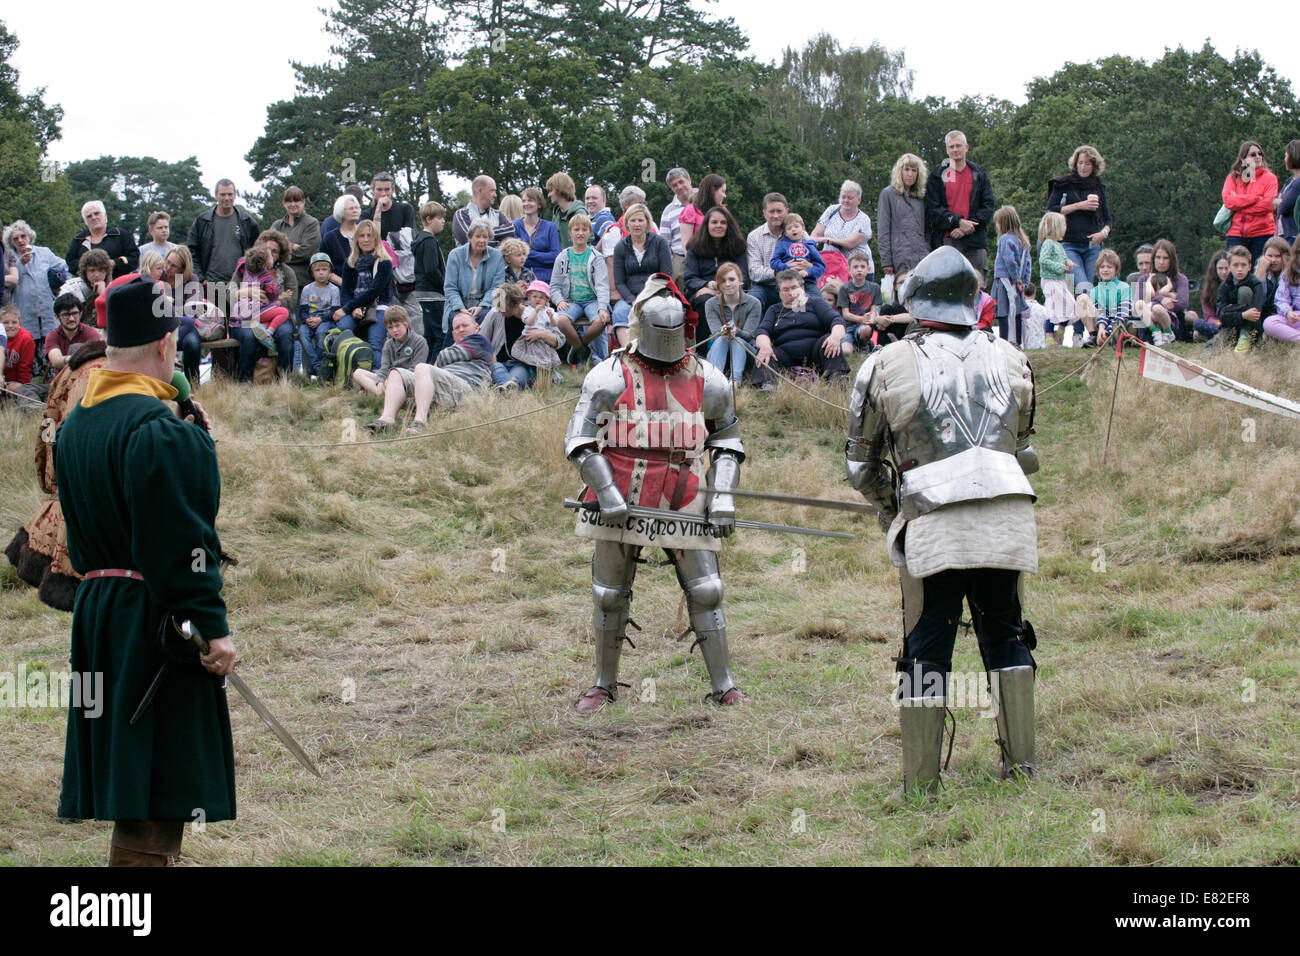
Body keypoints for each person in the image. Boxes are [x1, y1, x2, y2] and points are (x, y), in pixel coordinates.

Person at [845, 246, 1040, 795]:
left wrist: (894, 512)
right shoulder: (1012, 356)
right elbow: (1024, 454)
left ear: (915, 301)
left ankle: (922, 783)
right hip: (1006, 510)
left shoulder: (884, 362)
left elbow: (860, 467)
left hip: (931, 516)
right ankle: (1020, 768)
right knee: (1004, 628)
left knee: (928, 641)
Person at [54, 277, 235, 866]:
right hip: (154, 623)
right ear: (165, 347)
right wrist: (212, 625)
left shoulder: (78, 423)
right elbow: (183, 540)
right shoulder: (156, 429)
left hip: (100, 613)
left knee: (140, 795)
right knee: (159, 798)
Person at [565, 289, 748, 711]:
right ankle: (603, 683)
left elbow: (727, 442)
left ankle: (725, 685)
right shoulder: (609, 374)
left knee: (707, 589)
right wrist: (607, 491)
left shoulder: (709, 377)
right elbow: (579, 439)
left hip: (684, 488)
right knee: (609, 594)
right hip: (621, 486)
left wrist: (722, 497)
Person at [4, 333, 107, 612]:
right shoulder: (102, 374)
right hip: (91, 518)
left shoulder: (68, 373)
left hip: (66, 505)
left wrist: (49, 477)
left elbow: (47, 431)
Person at [752, 270, 848, 388]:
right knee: (765, 351)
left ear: (802, 288)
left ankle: (837, 379)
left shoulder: (816, 303)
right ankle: (767, 386)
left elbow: (836, 320)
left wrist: (835, 336)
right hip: (785, 357)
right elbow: (762, 331)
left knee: (829, 340)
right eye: (786, 290)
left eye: (794, 288)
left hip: (816, 354)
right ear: (779, 292)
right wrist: (765, 346)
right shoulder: (774, 310)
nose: (791, 293)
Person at [407, 311, 495, 430]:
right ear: (453, 334)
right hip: (447, 389)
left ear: (476, 328)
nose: (461, 329)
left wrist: (443, 355)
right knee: (396, 373)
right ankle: (386, 419)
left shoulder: (480, 340)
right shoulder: (453, 348)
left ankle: (419, 422)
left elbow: (443, 358)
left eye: (465, 325)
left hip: (467, 390)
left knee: (422, 368)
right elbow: (438, 364)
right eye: (457, 328)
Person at [925, 131, 996, 276]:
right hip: (947, 240)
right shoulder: (937, 176)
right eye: (951, 147)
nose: (955, 150)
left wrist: (968, 226)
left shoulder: (979, 173)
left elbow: (988, 205)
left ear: (966, 147)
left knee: (977, 286)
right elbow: (933, 209)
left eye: (958, 146)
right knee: (948, 285)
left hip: (975, 240)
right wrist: (957, 222)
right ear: (947, 150)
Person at [1046, 145, 1113, 293]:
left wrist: (1104, 233)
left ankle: (1082, 316)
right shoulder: (1063, 184)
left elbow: (1108, 219)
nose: (1083, 167)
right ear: (1075, 164)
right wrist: (1079, 205)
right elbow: (1051, 210)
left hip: (1091, 246)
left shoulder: (1098, 187)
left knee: (1086, 289)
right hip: (1068, 244)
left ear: (1094, 166)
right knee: (1084, 287)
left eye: (1087, 163)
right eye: (1080, 163)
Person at [4, 220, 66, 372]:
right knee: (28, 343)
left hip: (47, 308)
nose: (20, 240)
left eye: (22, 236)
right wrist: (20, 263)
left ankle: (53, 373)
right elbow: (8, 280)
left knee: (52, 341)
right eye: (15, 238)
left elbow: (64, 267)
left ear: (29, 237)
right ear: (10, 242)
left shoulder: (44, 252)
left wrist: (59, 284)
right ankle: (32, 376)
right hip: (24, 310)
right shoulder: (9, 259)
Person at [550, 213, 611, 362]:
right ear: (570, 233)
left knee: (601, 321)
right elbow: (554, 286)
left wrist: (602, 307)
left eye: (584, 230)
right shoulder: (563, 257)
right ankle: (582, 350)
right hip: (572, 301)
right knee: (561, 320)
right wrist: (559, 301)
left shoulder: (596, 257)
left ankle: (581, 346)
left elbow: (603, 286)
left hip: (592, 300)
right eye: (576, 229)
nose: (580, 233)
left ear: (590, 233)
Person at [611, 202, 673, 346]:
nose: (637, 224)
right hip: (631, 297)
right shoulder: (620, 247)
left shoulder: (660, 243)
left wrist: (652, 297)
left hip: (656, 295)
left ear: (647, 222)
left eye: (640, 220)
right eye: (633, 220)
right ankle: (629, 352)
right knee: (619, 312)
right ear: (627, 223)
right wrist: (632, 300)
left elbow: (666, 276)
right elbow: (619, 282)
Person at [357, 306, 429, 428]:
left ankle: (388, 399)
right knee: (358, 373)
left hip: (408, 380)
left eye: (397, 326)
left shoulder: (419, 342)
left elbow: (416, 370)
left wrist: (391, 378)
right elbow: (384, 367)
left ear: (406, 323)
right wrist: (380, 380)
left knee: (395, 376)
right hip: (389, 378)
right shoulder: (389, 344)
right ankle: (384, 393)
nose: (395, 330)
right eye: (390, 328)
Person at [478, 282, 560, 389]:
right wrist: (491, 356)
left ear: (516, 304)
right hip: (499, 361)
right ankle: (507, 386)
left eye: (504, 308)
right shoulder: (495, 313)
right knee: (498, 368)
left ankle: (507, 387)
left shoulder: (537, 314)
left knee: (518, 376)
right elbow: (481, 339)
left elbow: (559, 341)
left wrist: (541, 334)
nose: (501, 311)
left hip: (521, 363)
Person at [186, 180, 260, 293]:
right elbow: (191, 252)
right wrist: (201, 279)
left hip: (240, 285)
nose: (226, 198)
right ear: (216, 196)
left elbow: (257, 252)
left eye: (230, 194)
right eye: (222, 194)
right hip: (210, 284)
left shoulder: (248, 222)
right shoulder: (202, 221)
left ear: (235, 195)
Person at [336, 220, 394, 357]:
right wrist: (352, 308)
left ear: (376, 238)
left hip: (378, 306)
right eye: (362, 236)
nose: (366, 239)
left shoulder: (384, 262)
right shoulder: (350, 263)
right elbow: (345, 291)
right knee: (343, 331)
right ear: (356, 239)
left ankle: (376, 375)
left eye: (370, 235)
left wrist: (346, 308)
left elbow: (374, 291)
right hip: (354, 307)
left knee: (375, 342)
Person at [704, 262, 763, 383]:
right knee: (722, 339)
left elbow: (749, 335)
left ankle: (735, 382)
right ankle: (714, 381)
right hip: (720, 347)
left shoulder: (754, 303)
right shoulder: (710, 304)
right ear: (718, 284)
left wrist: (737, 332)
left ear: (740, 280)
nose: (727, 284)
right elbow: (715, 333)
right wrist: (724, 332)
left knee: (738, 340)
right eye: (723, 281)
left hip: (747, 350)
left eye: (731, 279)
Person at [1222, 141, 1279, 265]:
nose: (1258, 157)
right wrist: (1255, 198)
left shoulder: (1270, 178)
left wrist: (1240, 205)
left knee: (1260, 273)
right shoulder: (1233, 178)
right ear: (1243, 158)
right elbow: (1228, 201)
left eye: (1260, 153)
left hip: (1262, 233)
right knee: (1235, 273)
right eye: (1253, 154)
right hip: (1236, 234)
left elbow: (1268, 205)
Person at [684, 206, 748, 317]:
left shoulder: (738, 246)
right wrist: (709, 285)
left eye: (723, 222)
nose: (719, 225)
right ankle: (706, 335)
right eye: (714, 222)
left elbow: (742, 277)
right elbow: (690, 278)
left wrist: (721, 290)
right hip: (702, 290)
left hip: (731, 289)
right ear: (707, 225)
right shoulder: (694, 247)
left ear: (728, 226)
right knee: (706, 301)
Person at [444, 218, 505, 330]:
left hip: (486, 304)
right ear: (470, 237)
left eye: (485, 237)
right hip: (459, 304)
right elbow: (450, 288)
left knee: (487, 317)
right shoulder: (455, 255)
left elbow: (497, 287)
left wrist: (482, 306)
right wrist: (462, 309)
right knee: (459, 322)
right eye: (478, 236)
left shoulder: (497, 256)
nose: (481, 240)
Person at [810, 179, 874, 283]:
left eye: (850, 198)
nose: (845, 200)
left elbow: (850, 243)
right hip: (830, 267)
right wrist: (812, 246)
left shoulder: (864, 219)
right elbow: (815, 234)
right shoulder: (831, 210)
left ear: (859, 200)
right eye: (843, 197)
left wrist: (828, 240)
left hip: (856, 271)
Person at [877, 154, 930, 277]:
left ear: (918, 174)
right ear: (899, 171)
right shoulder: (888, 194)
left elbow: (927, 229)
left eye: (914, 170)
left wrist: (927, 250)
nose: (910, 174)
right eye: (906, 169)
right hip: (899, 257)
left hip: (922, 257)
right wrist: (886, 261)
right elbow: (883, 230)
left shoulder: (923, 197)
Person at [1132, 239, 1192, 344]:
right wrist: (1163, 297)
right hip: (1148, 322)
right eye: (1158, 257)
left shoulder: (1180, 279)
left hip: (1173, 322)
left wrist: (1154, 297)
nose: (1161, 262)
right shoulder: (1144, 279)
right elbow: (1139, 303)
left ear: (1172, 260)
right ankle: (1154, 335)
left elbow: (1182, 304)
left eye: (1165, 258)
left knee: (1157, 310)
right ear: (1153, 258)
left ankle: (1168, 334)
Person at [65, 200, 139, 279]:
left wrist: (113, 263)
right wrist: (89, 268)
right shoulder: (78, 240)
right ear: (85, 221)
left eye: (97, 213)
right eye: (89, 216)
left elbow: (134, 259)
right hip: (87, 286)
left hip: (118, 284)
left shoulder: (122, 235)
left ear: (104, 215)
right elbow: (71, 263)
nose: (94, 217)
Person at [412, 201, 449, 355]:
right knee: (440, 335)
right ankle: (433, 367)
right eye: (439, 218)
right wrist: (445, 287)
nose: (443, 221)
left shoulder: (421, 239)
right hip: (432, 295)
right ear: (428, 219)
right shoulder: (429, 241)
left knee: (430, 335)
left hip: (424, 294)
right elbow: (431, 269)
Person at [992, 206, 1031, 345]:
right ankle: (1017, 342)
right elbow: (1027, 264)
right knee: (1016, 313)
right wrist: (1024, 282)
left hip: (1005, 282)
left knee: (1004, 312)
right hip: (1017, 285)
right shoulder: (1024, 242)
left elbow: (1009, 260)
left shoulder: (1005, 239)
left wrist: (1015, 279)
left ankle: (1006, 343)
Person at [299, 252, 343, 378]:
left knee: (321, 335)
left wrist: (320, 319)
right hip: (310, 318)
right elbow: (302, 310)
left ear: (330, 271)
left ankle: (318, 366)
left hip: (326, 319)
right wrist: (308, 320)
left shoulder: (334, 289)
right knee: (303, 334)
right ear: (312, 272)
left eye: (324, 269)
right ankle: (317, 366)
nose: (321, 272)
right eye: (317, 270)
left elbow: (334, 310)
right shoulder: (307, 289)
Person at [1075, 250, 1131, 348]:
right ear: (1098, 270)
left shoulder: (1124, 287)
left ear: (1116, 269)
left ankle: (1111, 339)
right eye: (1102, 267)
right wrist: (1101, 327)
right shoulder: (1095, 291)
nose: (1105, 270)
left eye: (1109, 267)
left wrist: (1108, 332)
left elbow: (1123, 313)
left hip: (1118, 324)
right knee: (1082, 298)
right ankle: (1093, 336)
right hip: (1101, 325)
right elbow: (1101, 312)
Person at [270, 185, 322, 289]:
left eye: (296, 200)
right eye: (289, 201)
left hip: (303, 284)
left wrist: (280, 251)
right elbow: (267, 250)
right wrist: (292, 246)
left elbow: (307, 252)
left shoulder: (311, 223)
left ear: (303, 202)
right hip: (278, 283)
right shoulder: (277, 225)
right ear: (284, 203)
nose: (293, 204)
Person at [1217, 245, 1267, 353]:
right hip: (1232, 325)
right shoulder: (1224, 286)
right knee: (1216, 345)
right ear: (1229, 267)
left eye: (1243, 265)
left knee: (1244, 291)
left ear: (1249, 266)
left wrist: (1230, 309)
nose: (1240, 269)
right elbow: (1221, 314)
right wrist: (1242, 314)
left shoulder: (1256, 284)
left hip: (1252, 326)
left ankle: (1245, 337)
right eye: (1236, 265)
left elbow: (1255, 312)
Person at [1037, 212, 1076, 345]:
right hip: (1050, 280)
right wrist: (1061, 267)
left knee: (1069, 305)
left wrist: (1068, 262)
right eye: (1064, 224)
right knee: (1053, 307)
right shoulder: (1048, 243)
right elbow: (1044, 261)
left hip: (1060, 281)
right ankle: (1049, 336)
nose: (1066, 227)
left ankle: (1060, 331)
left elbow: (1064, 258)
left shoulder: (1058, 245)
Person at [746, 193, 788, 312]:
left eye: (779, 211)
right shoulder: (754, 237)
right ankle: (754, 331)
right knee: (752, 299)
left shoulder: (799, 234)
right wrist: (777, 272)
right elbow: (754, 272)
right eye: (771, 211)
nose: (775, 215)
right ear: (764, 213)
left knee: (807, 299)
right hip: (764, 287)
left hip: (792, 284)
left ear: (787, 211)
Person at [837, 252, 882, 354]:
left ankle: (863, 344)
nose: (859, 269)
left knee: (865, 330)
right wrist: (860, 319)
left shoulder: (874, 288)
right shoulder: (844, 288)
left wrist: (870, 319)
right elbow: (845, 314)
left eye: (862, 266)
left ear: (868, 270)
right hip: (848, 327)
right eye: (855, 267)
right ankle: (854, 345)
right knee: (846, 352)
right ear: (849, 270)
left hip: (864, 326)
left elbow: (874, 309)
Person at [513, 186, 560, 283]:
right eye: (524, 201)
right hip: (521, 281)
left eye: (530, 200)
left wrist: (527, 253)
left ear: (539, 204)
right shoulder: (515, 226)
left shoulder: (550, 227)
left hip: (545, 280)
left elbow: (555, 256)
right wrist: (543, 258)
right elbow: (513, 257)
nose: (526, 204)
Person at [452, 175, 515, 246]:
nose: (495, 195)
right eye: (492, 190)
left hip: (496, 258)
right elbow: (469, 241)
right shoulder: (461, 215)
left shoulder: (499, 215)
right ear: (480, 191)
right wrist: (498, 242)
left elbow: (511, 230)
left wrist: (478, 234)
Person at [44, 293, 101, 372]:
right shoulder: (52, 336)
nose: (71, 319)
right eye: (66, 315)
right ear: (57, 317)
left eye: (74, 313)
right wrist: (81, 357)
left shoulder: (91, 333)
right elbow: (56, 361)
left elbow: (96, 360)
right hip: (61, 380)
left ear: (80, 314)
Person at [770, 212, 826, 290]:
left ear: (803, 228)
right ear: (785, 233)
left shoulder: (810, 245)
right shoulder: (782, 245)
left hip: (808, 283)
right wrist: (786, 267)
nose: (793, 229)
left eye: (796, 226)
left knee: (817, 301)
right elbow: (773, 262)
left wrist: (808, 272)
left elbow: (821, 266)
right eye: (789, 228)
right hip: (788, 283)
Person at [659, 167, 695, 286]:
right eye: (674, 185)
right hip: (680, 258)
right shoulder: (668, 211)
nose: (679, 187)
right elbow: (665, 243)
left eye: (681, 182)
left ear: (689, 180)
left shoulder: (705, 199)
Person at [2, 305, 44, 406]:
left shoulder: (26, 338)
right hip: (1, 379)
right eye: (6, 323)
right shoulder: (1, 337)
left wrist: (22, 385)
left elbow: (25, 367)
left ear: (20, 323)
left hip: (15, 381)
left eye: (14, 322)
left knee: (19, 393)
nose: (10, 326)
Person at [678, 173, 726, 253]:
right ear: (712, 191)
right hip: (699, 259)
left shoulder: (724, 211)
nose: (724, 196)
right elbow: (686, 244)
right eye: (723, 191)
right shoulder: (690, 210)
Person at [321, 194, 362, 286]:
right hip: (340, 289)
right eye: (351, 208)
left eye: (357, 207)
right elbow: (324, 267)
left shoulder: (366, 233)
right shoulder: (330, 238)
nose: (355, 210)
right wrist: (344, 284)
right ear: (341, 211)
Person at [362, 171, 417, 238]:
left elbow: (409, 237)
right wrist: (378, 209)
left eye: (387, 189)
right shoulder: (366, 215)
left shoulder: (405, 209)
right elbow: (372, 239)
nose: (383, 194)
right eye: (379, 190)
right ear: (373, 190)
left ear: (392, 190)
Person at [1266, 235, 1300, 344]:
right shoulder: (1290, 272)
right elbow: (1281, 299)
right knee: (1270, 323)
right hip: (1296, 316)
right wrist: (1288, 312)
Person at [1195, 250, 1230, 343]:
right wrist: (1217, 323)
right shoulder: (1209, 290)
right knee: (1198, 323)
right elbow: (1209, 316)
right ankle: (1222, 337)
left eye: (1227, 268)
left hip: (1232, 323)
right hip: (1217, 325)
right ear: (1215, 269)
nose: (1224, 272)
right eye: (1220, 268)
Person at [546, 172, 582, 247]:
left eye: (550, 191)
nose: (549, 195)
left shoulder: (579, 213)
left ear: (559, 189)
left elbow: (585, 243)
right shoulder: (556, 215)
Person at [1274, 140, 1300, 243]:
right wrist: (1279, 201)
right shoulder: (1291, 179)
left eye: (1286, 156)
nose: (1284, 160)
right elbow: (1274, 201)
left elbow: (1283, 208)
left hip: (1293, 234)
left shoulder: (1298, 183)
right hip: (1284, 233)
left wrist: (1280, 201)